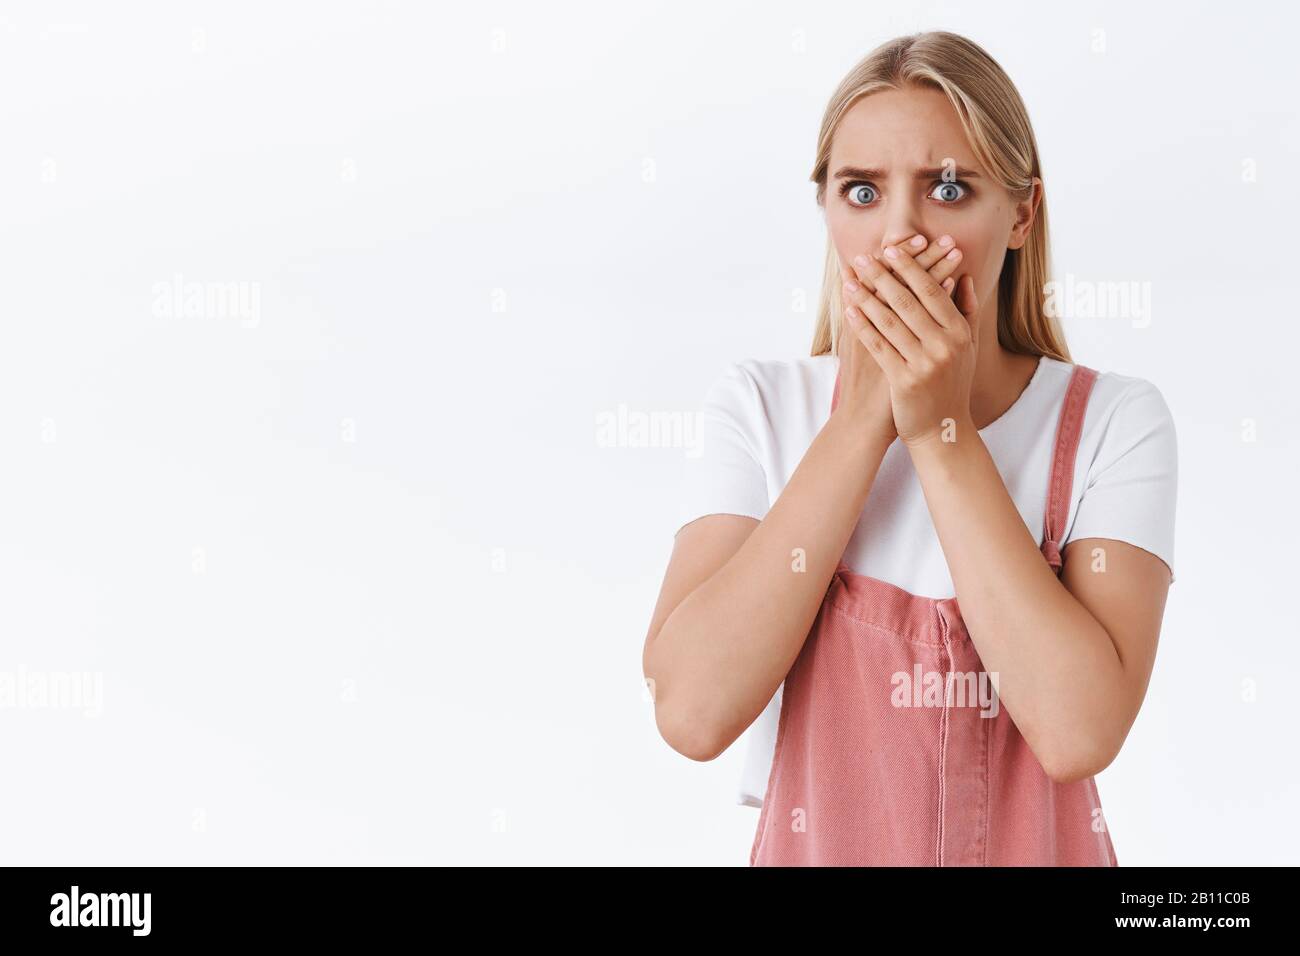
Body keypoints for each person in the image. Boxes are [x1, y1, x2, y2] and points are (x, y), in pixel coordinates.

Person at [640, 30, 1176, 866]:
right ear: (825, 209)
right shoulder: (760, 408)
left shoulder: (1113, 420)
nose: (899, 236)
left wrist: (941, 430)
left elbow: (1078, 733)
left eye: (950, 189)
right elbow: (692, 712)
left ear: (1021, 215)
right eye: (861, 192)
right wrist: (860, 424)